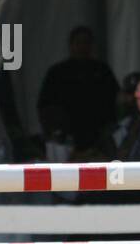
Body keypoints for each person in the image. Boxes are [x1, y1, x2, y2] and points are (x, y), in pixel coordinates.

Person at [36, 25, 118, 155]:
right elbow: (45, 106)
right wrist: (54, 132)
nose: (82, 47)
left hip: (98, 135)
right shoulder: (58, 72)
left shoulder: (102, 70)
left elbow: (114, 100)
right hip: (67, 137)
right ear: (71, 45)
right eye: (78, 42)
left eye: (86, 43)